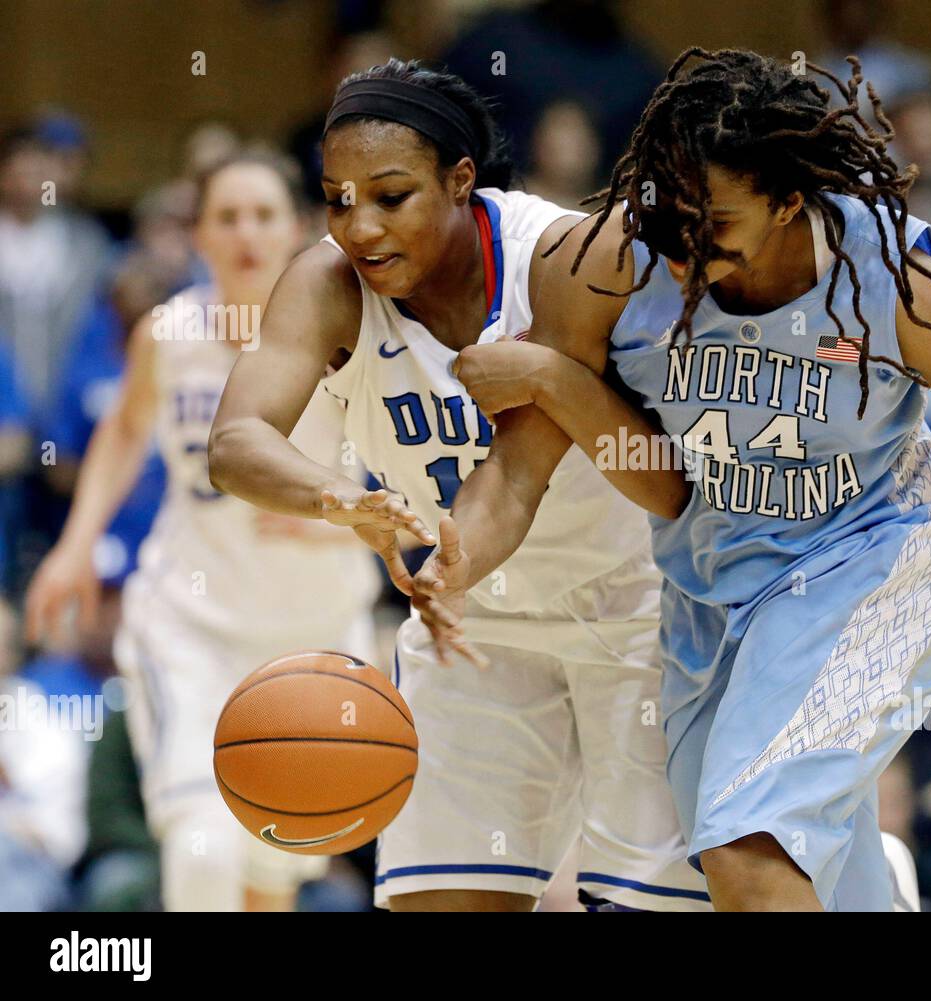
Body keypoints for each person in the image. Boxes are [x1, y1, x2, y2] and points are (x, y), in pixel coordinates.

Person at [425, 48, 931, 911]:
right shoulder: (610, 262)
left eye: (714, 221)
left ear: (787, 200)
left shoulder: (900, 285)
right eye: (668, 213)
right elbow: (524, 468)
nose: (683, 245)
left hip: (874, 566)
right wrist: (452, 559)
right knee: (765, 879)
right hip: (711, 595)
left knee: (750, 853)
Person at [207, 60, 710, 912]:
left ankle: (866, 878)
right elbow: (235, 441)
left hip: (635, 613)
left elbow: (515, 474)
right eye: (336, 198)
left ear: (460, 180)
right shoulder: (326, 283)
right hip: (476, 627)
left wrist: (446, 563)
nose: (358, 226)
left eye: (390, 195)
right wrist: (340, 497)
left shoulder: (559, 258)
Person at [24, 151, 382, 912]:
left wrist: (337, 517)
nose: (246, 232)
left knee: (267, 877)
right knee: (202, 845)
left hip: (313, 636)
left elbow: (408, 488)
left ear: (299, 229)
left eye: (263, 215)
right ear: (198, 235)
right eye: (227, 216)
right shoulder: (170, 333)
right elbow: (123, 434)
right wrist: (75, 544)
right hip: (190, 626)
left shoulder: (358, 337)